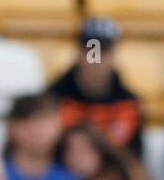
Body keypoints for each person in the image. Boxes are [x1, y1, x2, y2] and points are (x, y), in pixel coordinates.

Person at [47, 17, 143, 156]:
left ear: (114, 55)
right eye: (91, 50)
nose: (96, 59)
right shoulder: (53, 98)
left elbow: (133, 159)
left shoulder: (129, 104)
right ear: (78, 52)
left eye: (103, 51)